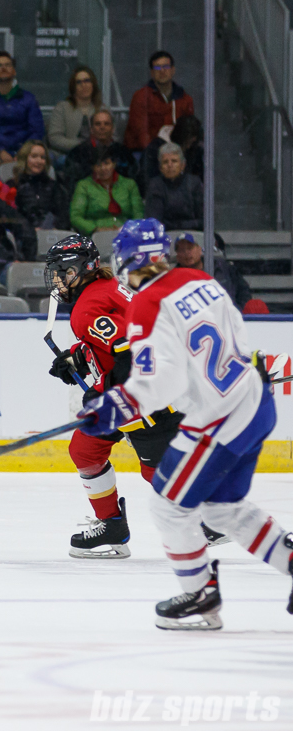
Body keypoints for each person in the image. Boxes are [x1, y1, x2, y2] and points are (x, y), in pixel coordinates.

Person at [79, 219, 293, 630]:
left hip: (219, 419)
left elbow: (160, 383)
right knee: (222, 508)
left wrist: (110, 409)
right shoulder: (200, 280)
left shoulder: (145, 305)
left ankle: (199, 596)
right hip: (253, 401)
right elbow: (236, 334)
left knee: (168, 504)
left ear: (129, 261)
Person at [43, 234, 189, 559]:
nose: (56, 280)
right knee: (85, 448)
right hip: (140, 385)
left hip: (147, 394)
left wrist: (110, 395)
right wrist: (79, 356)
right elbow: (117, 337)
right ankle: (111, 525)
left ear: (82, 269)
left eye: (61, 272)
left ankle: (211, 517)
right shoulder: (105, 288)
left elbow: (131, 351)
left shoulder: (87, 306)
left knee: (157, 471)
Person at [125, 51, 195, 152]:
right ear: (152, 73)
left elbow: (189, 131)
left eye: (166, 67)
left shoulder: (185, 99)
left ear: (173, 70)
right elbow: (140, 132)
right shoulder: (141, 97)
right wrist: (157, 154)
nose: (162, 71)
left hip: (176, 153)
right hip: (147, 153)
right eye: (157, 68)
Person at [69, 150, 144, 236]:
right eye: (98, 165)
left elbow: (138, 213)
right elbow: (75, 217)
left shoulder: (129, 184)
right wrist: (96, 229)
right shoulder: (83, 185)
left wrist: (128, 229)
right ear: (92, 167)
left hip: (127, 233)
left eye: (107, 163)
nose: (103, 168)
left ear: (114, 164)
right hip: (95, 235)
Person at [173, 232, 252, 311]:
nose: (186, 253)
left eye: (190, 248)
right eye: (181, 250)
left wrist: (236, 312)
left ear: (199, 249)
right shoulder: (174, 278)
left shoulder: (223, 267)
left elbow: (244, 292)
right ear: (177, 256)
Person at [62, 108, 138, 189]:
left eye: (106, 124)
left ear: (113, 129)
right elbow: (72, 184)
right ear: (91, 129)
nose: (102, 127)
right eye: (98, 124)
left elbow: (131, 182)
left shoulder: (124, 153)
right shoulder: (76, 154)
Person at [145, 143, 204, 231]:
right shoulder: (155, 185)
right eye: (165, 162)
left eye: (174, 161)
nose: (170, 165)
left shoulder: (194, 183)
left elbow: (204, 220)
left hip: (194, 235)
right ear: (160, 167)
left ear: (183, 165)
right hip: (165, 236)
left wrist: (178, 225)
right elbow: (155, 222)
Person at [47, 66, 104, 156]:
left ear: (93, 84)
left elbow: (113, 137)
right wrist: (81, 146)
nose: (83, 85)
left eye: (87, 81)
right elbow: (54, 138)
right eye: (79, 82)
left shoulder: (103, 109)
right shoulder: (62, 108)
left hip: (98, 155)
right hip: (67, 154)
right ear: (73, 87)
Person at [12, 139, 68, 229]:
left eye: (42, 157)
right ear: (25, 158)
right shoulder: (13, 185)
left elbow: (62, 216)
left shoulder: (54, 186)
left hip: (50, 235)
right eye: (34, 156)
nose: (39, 161)